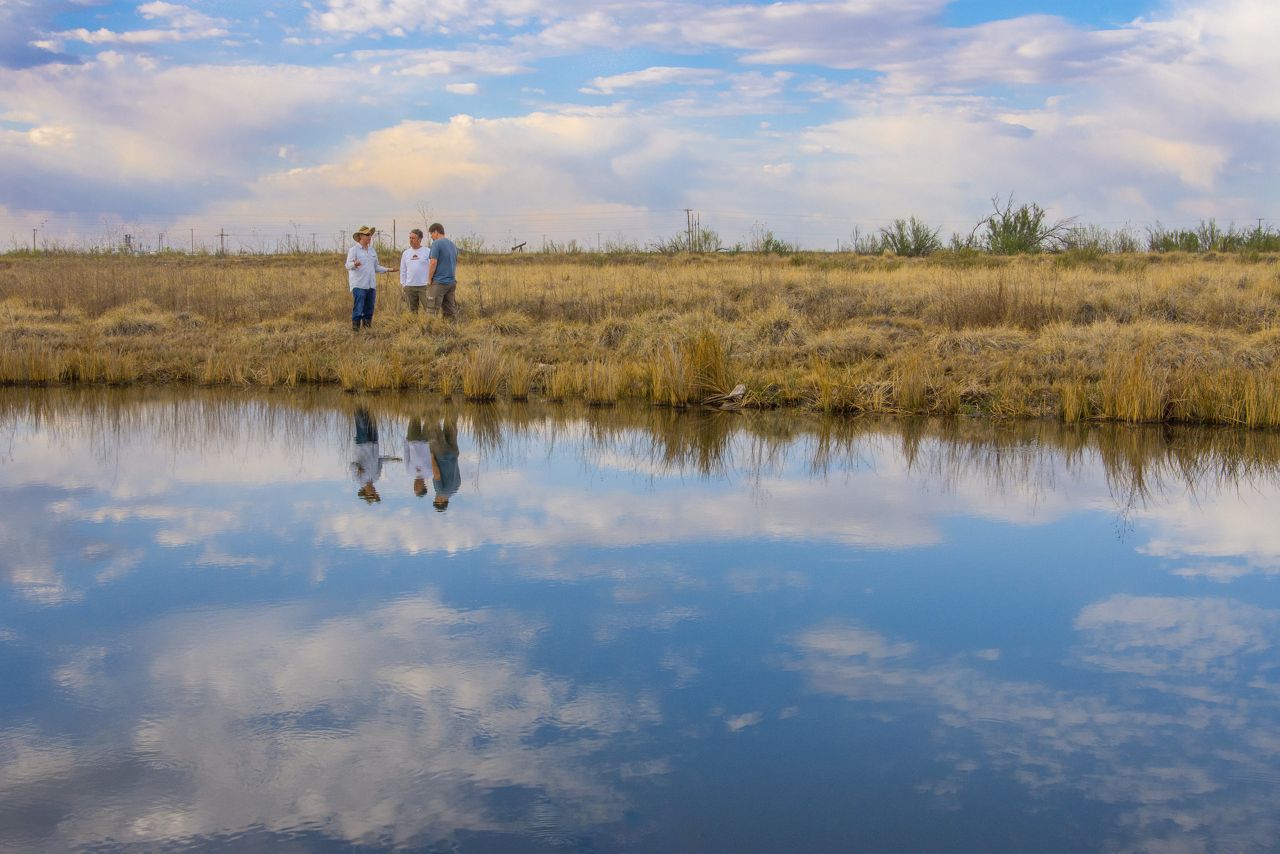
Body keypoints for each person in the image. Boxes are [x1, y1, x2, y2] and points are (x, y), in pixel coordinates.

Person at [344, 225, 397, 330]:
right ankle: (356, 331)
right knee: (358, 308)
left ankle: (367, 329)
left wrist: (389, 269)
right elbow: (347, 265)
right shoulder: (354, 250)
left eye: (370, 235)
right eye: (367, 235)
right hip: (359, 284)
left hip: (371, 285)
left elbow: (376, 267)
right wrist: (355, 264)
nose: (370, 236)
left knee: (369, 309)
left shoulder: (372, 250)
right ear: (360, 236)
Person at [428, 410, 461, 511]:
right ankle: (434, 403)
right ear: (442, 501)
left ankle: (450, 403)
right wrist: (432, 457)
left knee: (451, 424)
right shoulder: (441, 491)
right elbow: (437, 474)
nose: (435, 498)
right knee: (434, 428)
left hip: (454, 453)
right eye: (436, 501)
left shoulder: (455, 488)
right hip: (441, 454)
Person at [426, 222, 459, 320]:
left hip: (439, 283)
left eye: (431, 233)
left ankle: (429, 333)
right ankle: (451, 332)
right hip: (451, 283)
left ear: (436, 232)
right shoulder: (453, 245)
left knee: (432, 311)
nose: (431, 236)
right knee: (449, 311)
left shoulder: (436, 243)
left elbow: (433, 262)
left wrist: (429, 279)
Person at [400, 228, 431, 313]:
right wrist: (403, 284)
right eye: (410, 238)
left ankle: (430, 325)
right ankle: (414, 325)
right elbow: (403, 270)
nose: (411, 240)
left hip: (425, 286)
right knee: (412, 311)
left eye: (413, 238)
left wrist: (431, 282)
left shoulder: (427, 251)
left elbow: (433, 267)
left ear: (420, 239)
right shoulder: (406, 253)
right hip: (410, 286)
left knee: (429, 309)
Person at [405, 415, 431, 497]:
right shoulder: (430, 473)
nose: (415, 486)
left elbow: (406, 456)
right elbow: (434, 457)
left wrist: (406, 442)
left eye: (414, 488)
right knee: (430, 418)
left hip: (413, 440)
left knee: (414, 415)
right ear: (424, 486)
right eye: (417, 488)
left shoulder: (409, 471)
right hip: (426, 441)